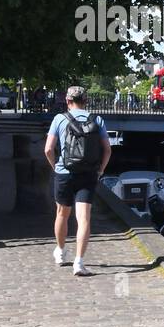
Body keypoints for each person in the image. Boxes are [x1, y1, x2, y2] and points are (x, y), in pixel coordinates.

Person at [44, 85, 111, 277]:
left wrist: (55, 166)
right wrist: (100, 170)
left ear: (67, 101)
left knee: (62, 214)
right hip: (88, 174)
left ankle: (60, 251)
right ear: (86, 100)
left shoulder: (59, 119)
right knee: (83, 218)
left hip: (64, 173)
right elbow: (108, 150)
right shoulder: (97, 120)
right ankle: (79, 263)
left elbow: (48, 149)